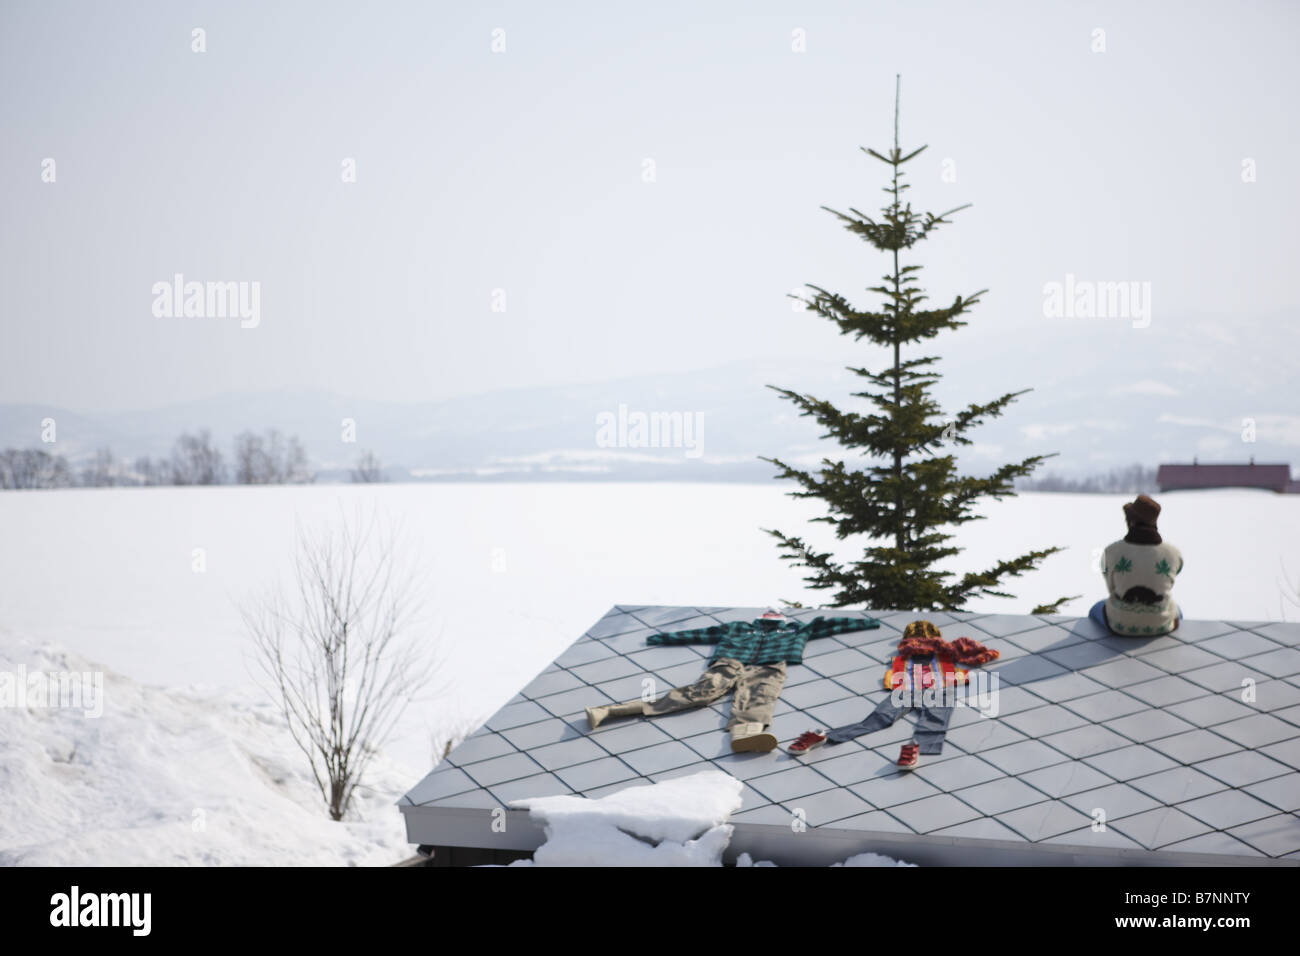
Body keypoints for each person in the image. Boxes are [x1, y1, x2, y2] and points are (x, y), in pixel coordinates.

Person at [1090, 494, 1183, 636]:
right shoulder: (1174, 553)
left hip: (1119, 625)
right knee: (1178, 610)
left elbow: (1112, 588)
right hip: (1162, 624)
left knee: (1095, 609)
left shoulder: (1111, 551)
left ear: (1131, 522)